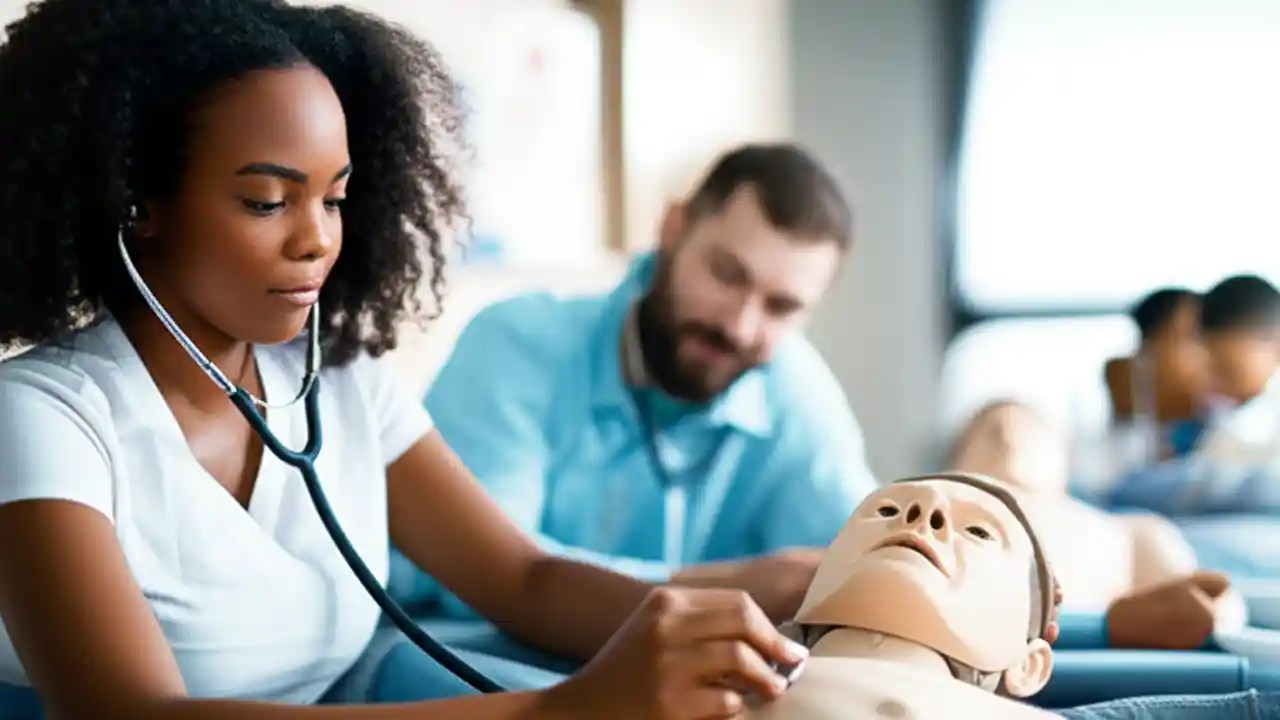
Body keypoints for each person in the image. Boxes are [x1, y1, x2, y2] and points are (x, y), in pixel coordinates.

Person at [0, 1, 819, 718]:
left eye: (335, 198)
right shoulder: (41, 418)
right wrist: (561, 713)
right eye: (267, 201)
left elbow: (523, 580)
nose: (316, 239)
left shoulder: (341, 383)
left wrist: (765, 591)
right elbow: (127, 715)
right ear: (137, 198)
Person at [394, 143, 878, 622]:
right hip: (462, 663)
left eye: (781, 307)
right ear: (673, 227)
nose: (740, 326)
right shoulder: (516, 343)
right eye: (726, 275)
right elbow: (474, 578)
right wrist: (738, 591)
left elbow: (865, 565)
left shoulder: (795, 390)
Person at [745, 474, 1279, 720]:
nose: (921, 515)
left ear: (1028, 666)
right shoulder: (696, 669)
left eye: (978, 533)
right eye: (886, 511)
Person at [948, 401, 1249, 652]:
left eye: (1028, 427)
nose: (1007, 436)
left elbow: (1217, 616)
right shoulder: (922, 513)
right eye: (988, 431)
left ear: (1065, 460)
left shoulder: (1134, 534)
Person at [1108, 275, 1280, 514]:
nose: (1215, 383)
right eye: (1212, 368)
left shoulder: (1261, 417)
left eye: (1228, 370)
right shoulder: (1229, 419)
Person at [1104, 288, 1209, 460]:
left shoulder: (1217, 405)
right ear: (1151, 344)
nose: (1204, 351)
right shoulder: (1122, 374)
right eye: (1192, 336)